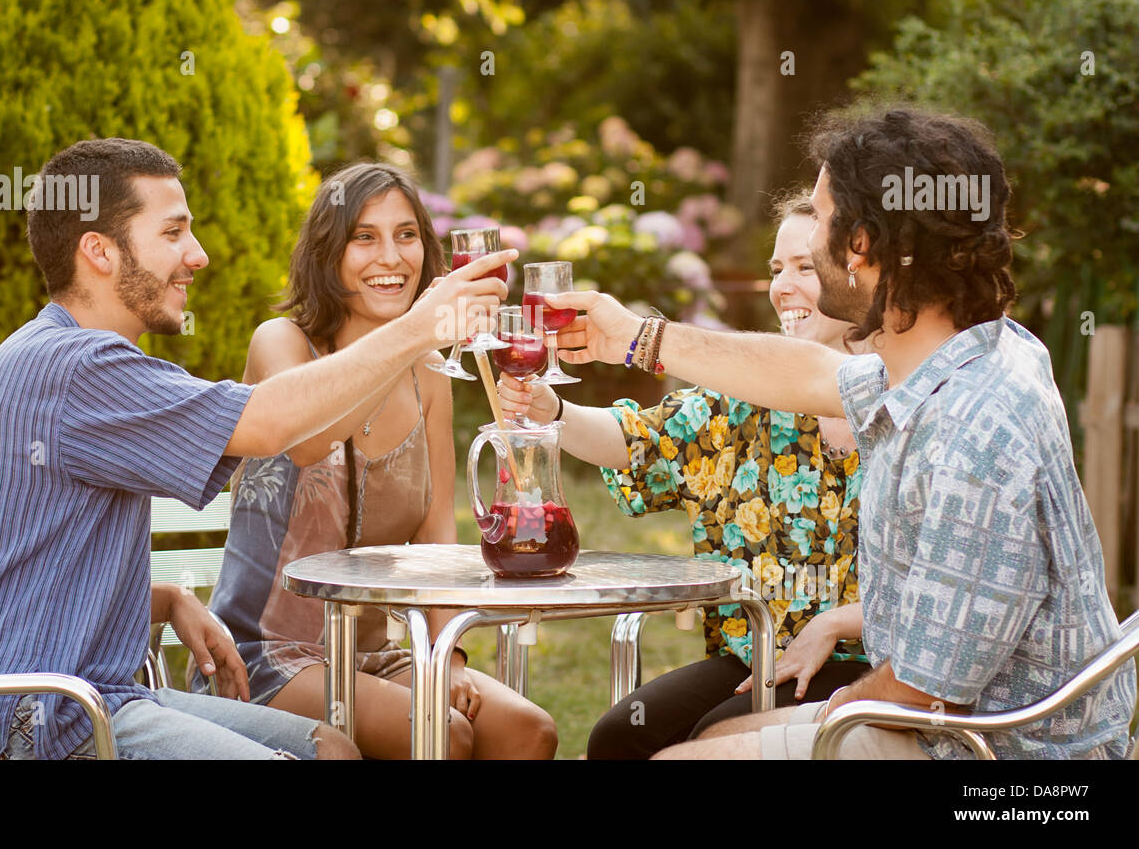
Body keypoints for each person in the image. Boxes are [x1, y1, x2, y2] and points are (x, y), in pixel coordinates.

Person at [545, 107, 1136, 760]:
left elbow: (925, 690)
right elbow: (809, 374)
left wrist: (826, 712)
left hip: (997, 752)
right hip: (951, 720)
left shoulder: (973, 430)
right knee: (696, 737)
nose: (811, 240)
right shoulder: (966, 357)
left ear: (862, 247)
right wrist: (633, 336)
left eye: (823, 222)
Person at [0, 138, 515, 760]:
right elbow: (270, 424)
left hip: (95, 698)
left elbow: (35, 567)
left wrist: (170, 597)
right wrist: (420, 325)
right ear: (99, 251)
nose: (198, 256)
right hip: (38, 721)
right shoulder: (77, 368)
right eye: (174, 232)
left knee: (331, 750)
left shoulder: (64, 357)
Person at [200, 162, 557, 760]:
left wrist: (451, 658)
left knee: (528, 729)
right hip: (263, 656)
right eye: (363, 237)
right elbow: (310, 440)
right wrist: (416, 334)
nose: (390, 257)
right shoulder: (281, 344)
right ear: (328, 253)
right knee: (443, 732)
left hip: (373, 656)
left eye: (406, 235)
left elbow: (436, 532)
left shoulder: (430, 376)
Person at [498, 192, 871, 759]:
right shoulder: (746, 395)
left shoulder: (907, 401)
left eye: (805, 267)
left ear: (858, 274)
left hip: (872, 663)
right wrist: (553, 411)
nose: (782, 286)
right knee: (618, 737)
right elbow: (635, 443)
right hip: (755, 653)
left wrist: (841, 622)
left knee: (706, 740)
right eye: (776, 269)